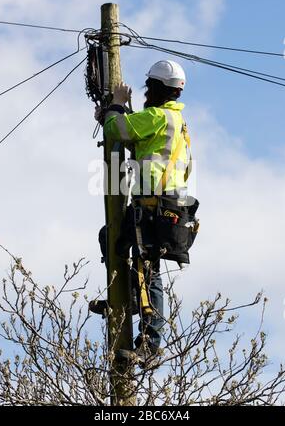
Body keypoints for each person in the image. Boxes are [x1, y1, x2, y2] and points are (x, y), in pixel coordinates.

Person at [91, 60, 197, 364]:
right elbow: (132, 130)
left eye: (149, 87)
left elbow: (118, 129)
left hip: (156, 205)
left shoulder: (158, 117)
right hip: (162, 205)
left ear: (159, 89)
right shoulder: (173, 120)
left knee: (149, 271)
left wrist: (117, 105)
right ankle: (127, 300)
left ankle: (149, 345)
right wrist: (116, 111)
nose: (146, 92)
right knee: (111, 237)